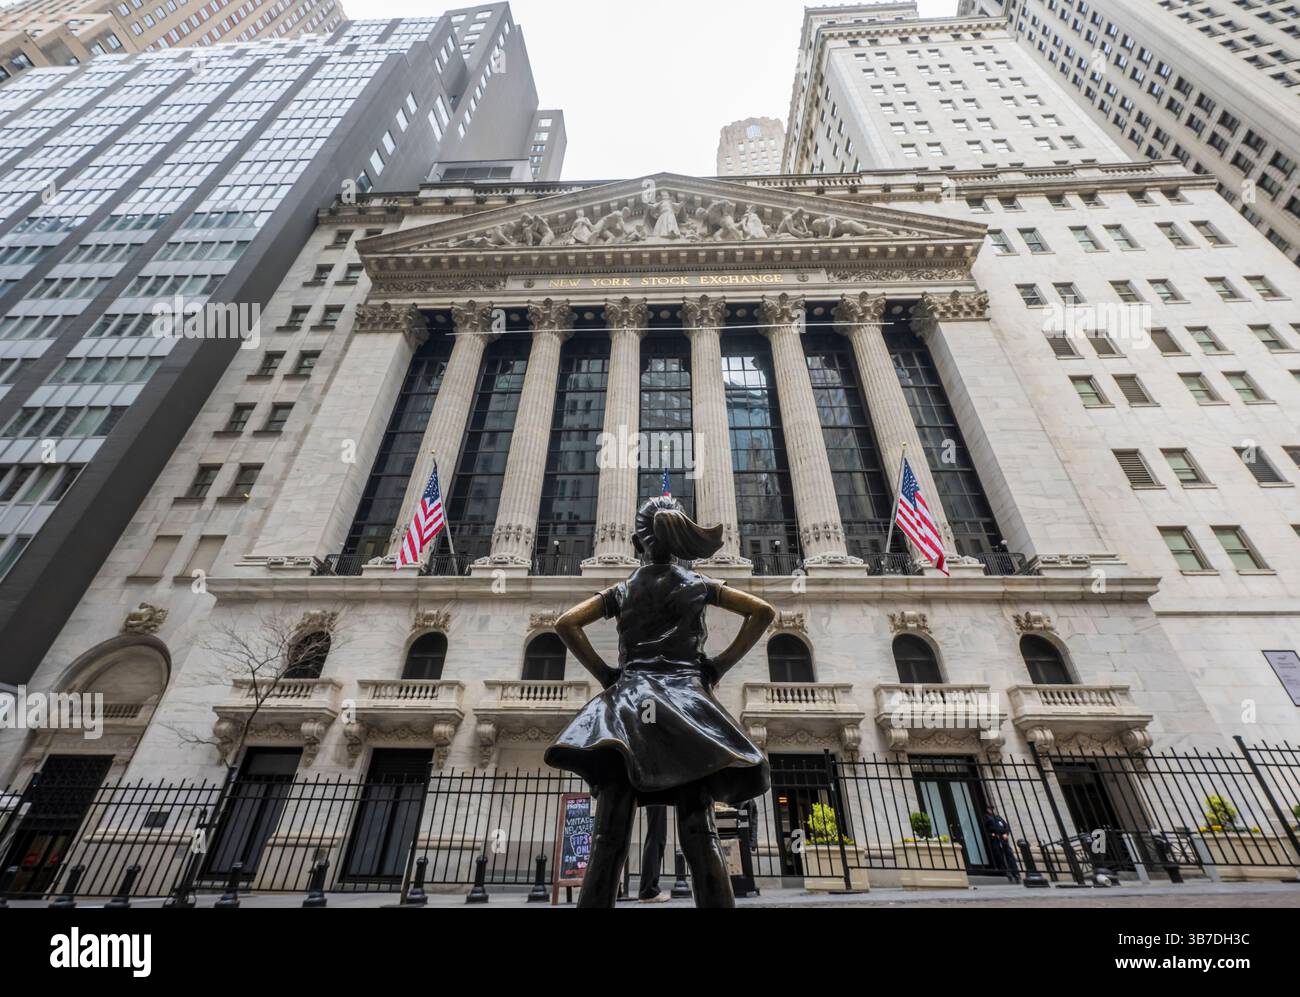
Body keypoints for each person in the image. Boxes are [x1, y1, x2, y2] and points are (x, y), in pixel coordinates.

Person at [545, 496, 776, 908]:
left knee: (608, 837)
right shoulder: (697, 585)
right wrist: (718, 665)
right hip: (686, 709)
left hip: (628, 708)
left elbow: (566, 623)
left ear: (638, 541)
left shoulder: (624, 588)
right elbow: (762, 612)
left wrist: (606, 675)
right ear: (679, 540)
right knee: (699, 833)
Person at [637, 805, 670, 902]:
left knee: (656, 836)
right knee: (656, 836)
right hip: (656, 792)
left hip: (655, 792)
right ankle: (648, 891)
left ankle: (648, 889)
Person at [984, 804, 1020, 882]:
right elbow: (986, 829)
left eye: (992, 808)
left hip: (1003, 839)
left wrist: (1006, 834)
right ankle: (1005, 872)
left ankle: (1015, 872)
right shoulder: (987, 818)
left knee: (1009, 854)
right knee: (999, 855)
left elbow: (1006, 826)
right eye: (990, 808)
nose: (992, 810)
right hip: (996, 839)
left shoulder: (999, 817)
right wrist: (992, 835)